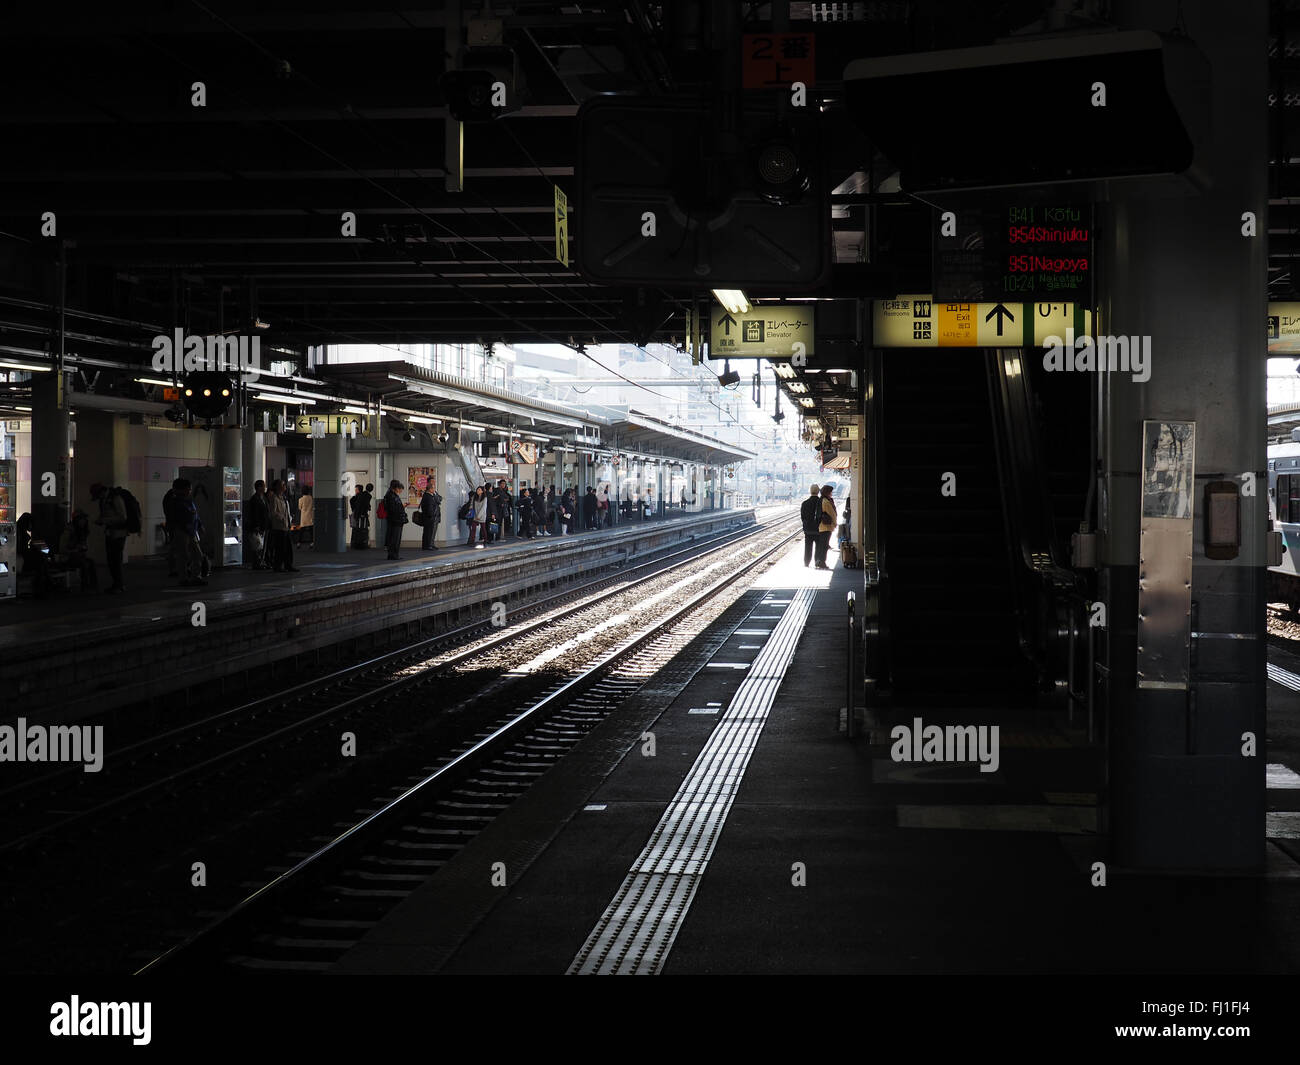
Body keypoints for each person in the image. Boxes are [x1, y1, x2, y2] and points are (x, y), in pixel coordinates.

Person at [89, 483, 128, 594]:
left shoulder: (115, 498)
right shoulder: (105, 500)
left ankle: (119, 585)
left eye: (98, 496)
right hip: (111, 533)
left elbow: (122, 517)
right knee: (112, 560)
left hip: (119, 533)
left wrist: (105, 521)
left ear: (102, 492)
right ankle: (117, 584)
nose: (98, 499)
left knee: (115, 560)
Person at [168, 479, 207, 587]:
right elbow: (181, 518)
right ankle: (185, 578)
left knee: (196, 555)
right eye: (188, 489)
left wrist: (199, 525)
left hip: (191, 531)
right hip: (183, 531)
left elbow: (194, 515)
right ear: (183, 489)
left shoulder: (188, 500)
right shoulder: (176, 502)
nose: (190, 490)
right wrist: (195, 527)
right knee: (184, 555)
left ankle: (194, 577)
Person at [57, 510, 98, 591]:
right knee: (84, 564)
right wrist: (75, 550)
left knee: (91, 562)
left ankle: (93, 586)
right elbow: (62, 549)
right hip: (67, 557)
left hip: (77, 556)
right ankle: (85, 586)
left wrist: (82, 549)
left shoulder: (82, 531)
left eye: (84, 519)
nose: (84, 521)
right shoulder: (68, 531)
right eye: (81, 519)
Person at [268, 479, 299, 573]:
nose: (284, 486)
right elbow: (273, 512)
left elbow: (287, 511)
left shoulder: (284, 498)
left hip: (286, 526)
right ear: (277, 487)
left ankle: (288, 564)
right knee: (280, 547)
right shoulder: (274, 498)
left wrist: (289, 519)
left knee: (288, 547)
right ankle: (278, 566)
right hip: (279, 527)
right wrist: (282, 518)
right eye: (282, 484)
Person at [245, 480, 271, 569]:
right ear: (259, 487)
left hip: (264, 525)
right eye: (263, 486)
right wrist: (256, 525)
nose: (265, 488)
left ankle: (261, 562)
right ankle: (257, 563)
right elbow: (254, 514)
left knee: (262, 545)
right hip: (258, 526)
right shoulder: (254, 499)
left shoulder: (263, 498)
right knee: (257, 546)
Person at [382, 479, 407, 559]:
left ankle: (394, 554)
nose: (399, 490)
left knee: (395, 537)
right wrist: (402, 506)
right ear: (396, 487)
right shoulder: (391, 496)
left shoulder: (391, 495)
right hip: (395, 520)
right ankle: (393, 554)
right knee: (394, 538)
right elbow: (393, 509)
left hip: (395, 519)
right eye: (398, 488)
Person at [815, 484, 838, 570]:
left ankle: (820, 561)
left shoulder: (822, 500)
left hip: (823, 526)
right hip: (826, 526)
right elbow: (832, 514)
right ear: (827, 492)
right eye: (830, 492)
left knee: (823, 545)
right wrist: (835, 523)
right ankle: (822, 562)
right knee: (824, 546)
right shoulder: (826, 502)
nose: (831, 493)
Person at [800, 483, 822, 568]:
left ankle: (806, 562)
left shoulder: (805, 503)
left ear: (810, 491)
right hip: (818, 528)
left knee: (808, 547)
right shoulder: (821, 502)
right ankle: (817, 561)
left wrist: (806, 523)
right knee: (818, 546)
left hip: (808, 528)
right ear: (818, 491)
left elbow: (802, 517)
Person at [418, 483, 443, 551]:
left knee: (430, 532)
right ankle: (428, 545)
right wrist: (432, 515)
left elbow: (439, 500)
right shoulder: (428, 496)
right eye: (433, 488)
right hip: (429, 517)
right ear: (430, 489)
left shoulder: (431, 496)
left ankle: (430, 544)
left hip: (431, 517)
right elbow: (429, 508)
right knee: (429, 532)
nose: (434, 490)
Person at [349, 484, 370, 550]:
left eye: (356, 489)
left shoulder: (357, 497)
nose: (355, 491)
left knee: (356, 529)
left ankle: (355, 544)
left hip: (358, 515)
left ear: (358, 490)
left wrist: (354, 511)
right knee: (361, 529)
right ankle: (361, 544)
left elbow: (352, 502)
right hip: (362, 515)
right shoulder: (365, 496)